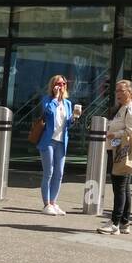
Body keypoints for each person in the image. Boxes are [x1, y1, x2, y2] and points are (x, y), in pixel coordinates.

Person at [99, 80, 132, 235]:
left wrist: (113, 135)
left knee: (120, 188)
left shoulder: (131, 109)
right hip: (116, 150)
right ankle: (124, 222)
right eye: (116, 91)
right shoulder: (122, 108)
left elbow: (131, 131)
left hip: (121, 152)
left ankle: (115, 222)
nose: (117, 94)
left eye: (120, 91)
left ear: (129, 92)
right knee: (124, 187)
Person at [37, 75, 82, 215]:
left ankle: (53, 202)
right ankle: (46, 204)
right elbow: (48, 112)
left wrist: (74, 117)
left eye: (63, 83)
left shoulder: (67, 103)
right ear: (53, 86)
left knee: (59, 173)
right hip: (48, 140)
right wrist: (56, 98)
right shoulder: (48, 100)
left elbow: (67, 124)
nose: (61, 86)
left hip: (62, 142)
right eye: (58, 83)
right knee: (48, 172)